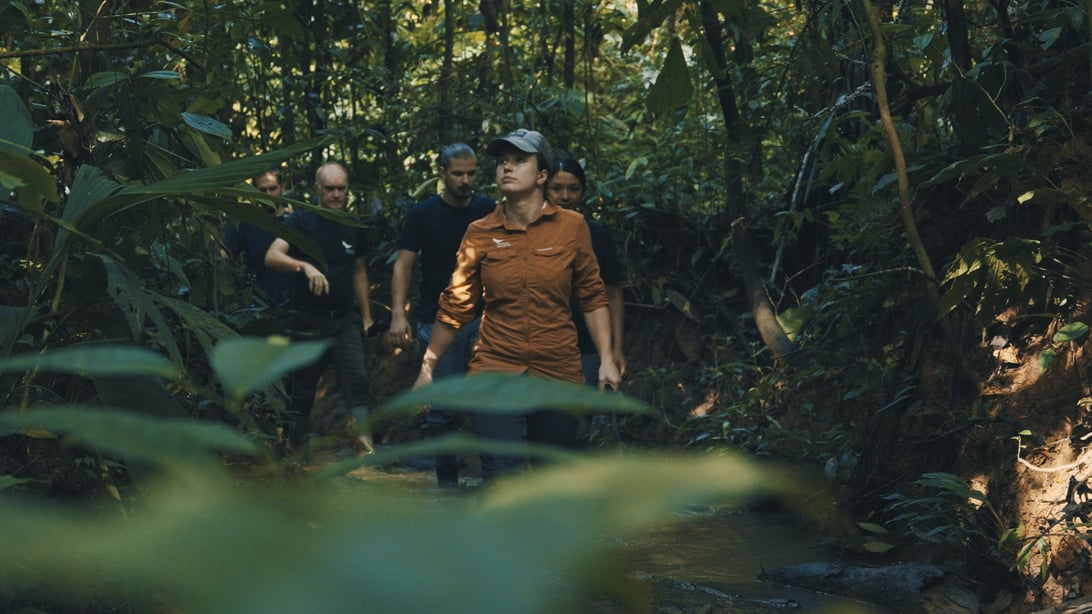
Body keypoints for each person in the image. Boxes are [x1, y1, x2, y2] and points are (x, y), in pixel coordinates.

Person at [413, 129, 621, 483]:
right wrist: (428, 367)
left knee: (550, 480)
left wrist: (606, 358)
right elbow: (455, 306)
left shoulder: (573, 227)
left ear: (542, 175)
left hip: (557, 371)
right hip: (496, 369)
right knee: (501, 477)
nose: (507, 167)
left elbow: (592, 296)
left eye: (520, 160)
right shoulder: (479, 232)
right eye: (502, 161)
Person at [388, 143, 495, 487]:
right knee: (443, 411)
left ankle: (493, 486)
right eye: (458, 174)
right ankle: (448, 491)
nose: (466, 180)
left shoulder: (488, 210)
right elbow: (403, 265)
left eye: (472, 173)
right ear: (442, 174)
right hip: (435, 320)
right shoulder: (423, 213)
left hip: (481, 319)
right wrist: (398, 314)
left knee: (488, 406)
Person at [265, 161, 375, 454]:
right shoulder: (301, 222)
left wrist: (366, 317)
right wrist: (304, 266)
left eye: (341, 189)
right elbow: (272, 256)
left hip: (345, 319)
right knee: (301, 390)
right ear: (316, 189)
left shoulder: (354, 224)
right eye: (329, 189)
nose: (336, 195)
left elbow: (359, 271)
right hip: (308, 320)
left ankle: (365, 447)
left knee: (358, 380)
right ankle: (296, 453)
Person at [547, 157, 627, 443]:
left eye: (573, 189)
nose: (565, 196)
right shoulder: (529, 231)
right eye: (557, 188)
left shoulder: (596, 234)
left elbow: (613, 293)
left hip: (587, 345)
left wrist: (615, 349)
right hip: (542, 345)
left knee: (580, 424)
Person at [224, 168, 295, 307]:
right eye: (262, 190)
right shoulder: (246, 223)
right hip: (260, 305)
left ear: (282, 188)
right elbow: (225, 254)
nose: (268, 195)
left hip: (296, 304)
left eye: (273, 188)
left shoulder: (295, 221)